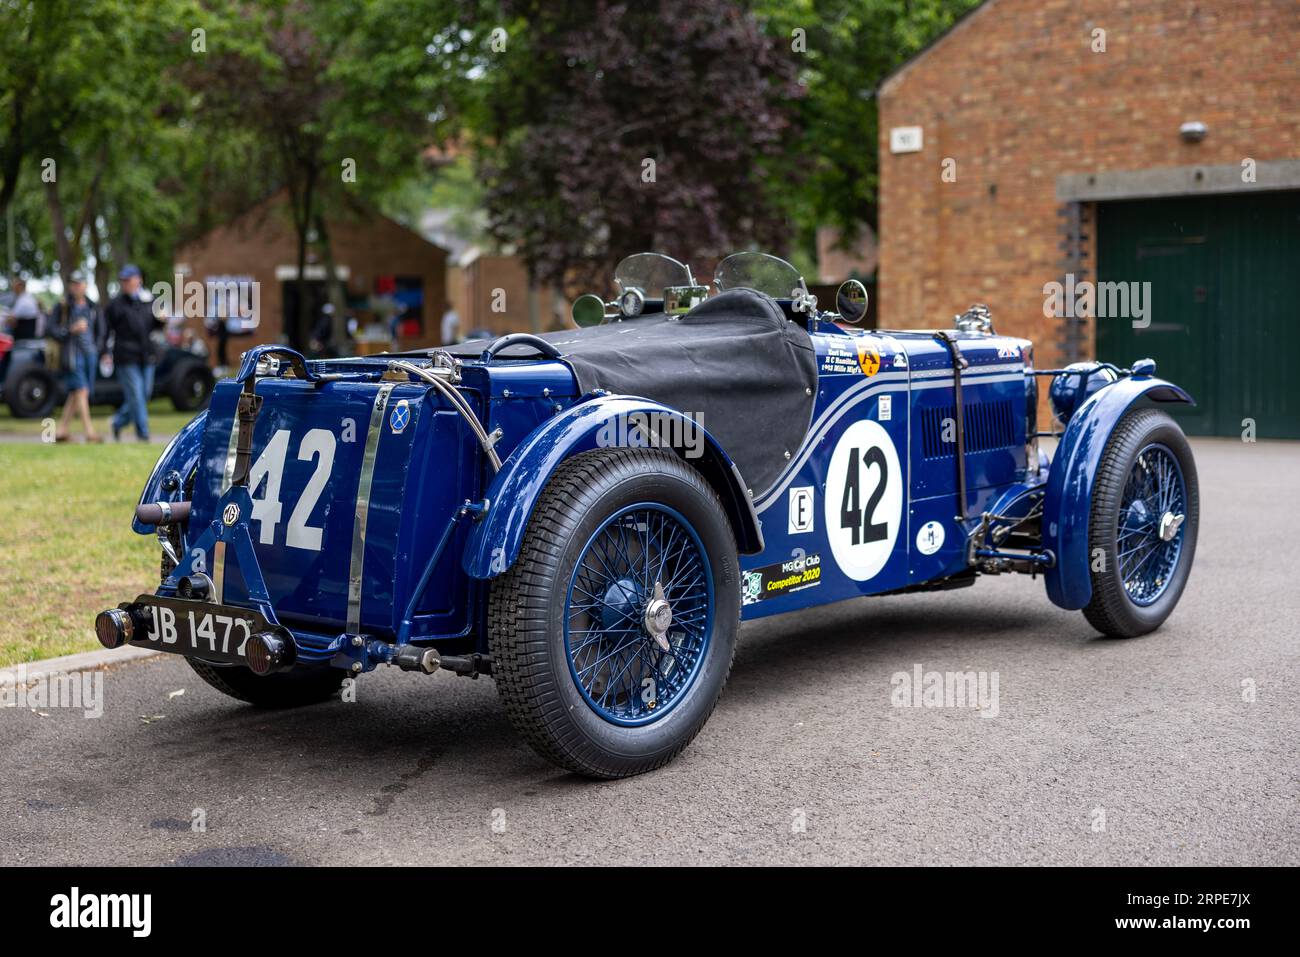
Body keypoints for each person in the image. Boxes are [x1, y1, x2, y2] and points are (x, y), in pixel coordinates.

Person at [105, 264, 161, 442]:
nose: (125, 283)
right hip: (126, 356)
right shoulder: (115, 304)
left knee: (144, 394)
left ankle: (118, 421)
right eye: (122, 280)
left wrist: (162, 321)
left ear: (139, 280)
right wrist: (104, 352)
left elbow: (155, 326)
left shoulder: (149, 301)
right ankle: (143, 433)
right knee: (136, 394)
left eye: (128, 280)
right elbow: (106, 331)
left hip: (146, 354)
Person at [51, 271, 105, 443]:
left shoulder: (93, 307)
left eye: (79, 283)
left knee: (77, 393)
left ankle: (61, 431)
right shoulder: (63, 306)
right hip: (72, 355)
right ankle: (90, 432)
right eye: (73, 283)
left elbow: (101, 330)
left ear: (85, 285)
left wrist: (98, 348)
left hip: (90, 354)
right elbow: (51, 329)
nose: (75, 286)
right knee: (81, 391)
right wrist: (70, 330)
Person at [5, 275, 42, 340]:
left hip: (23, 338)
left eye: (14, 286)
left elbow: (10, 320)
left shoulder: (23, 301)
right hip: (27, 335)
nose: (13, 288)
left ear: (20, 286)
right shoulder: (28, 298)